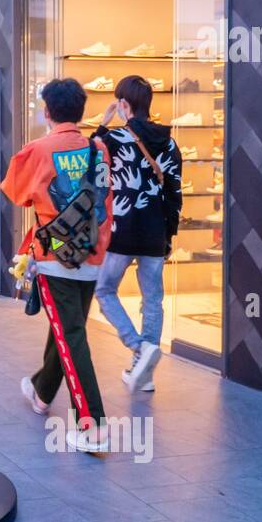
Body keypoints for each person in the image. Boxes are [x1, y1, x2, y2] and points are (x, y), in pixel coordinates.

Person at [0, 78, 114, 452]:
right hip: (93, 254)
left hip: (54, 258)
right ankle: (41, 390)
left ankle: (92, 425)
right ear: (80, 111)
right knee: (68, 327)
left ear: (48, 112)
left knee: (72, 335)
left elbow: (15, 193)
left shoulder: (39, 150)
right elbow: (105, 201)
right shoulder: (99, 150)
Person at [91, 75, 183, 392]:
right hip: (155, 233)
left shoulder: (113, 139)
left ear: (124, 105)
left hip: (122, 233)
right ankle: (144, 374)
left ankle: (140, 350)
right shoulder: (169, 142)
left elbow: (90, 165)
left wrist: (103, 125)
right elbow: (174, 193)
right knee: (153, 300)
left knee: (104, 291)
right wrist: (169, 235)